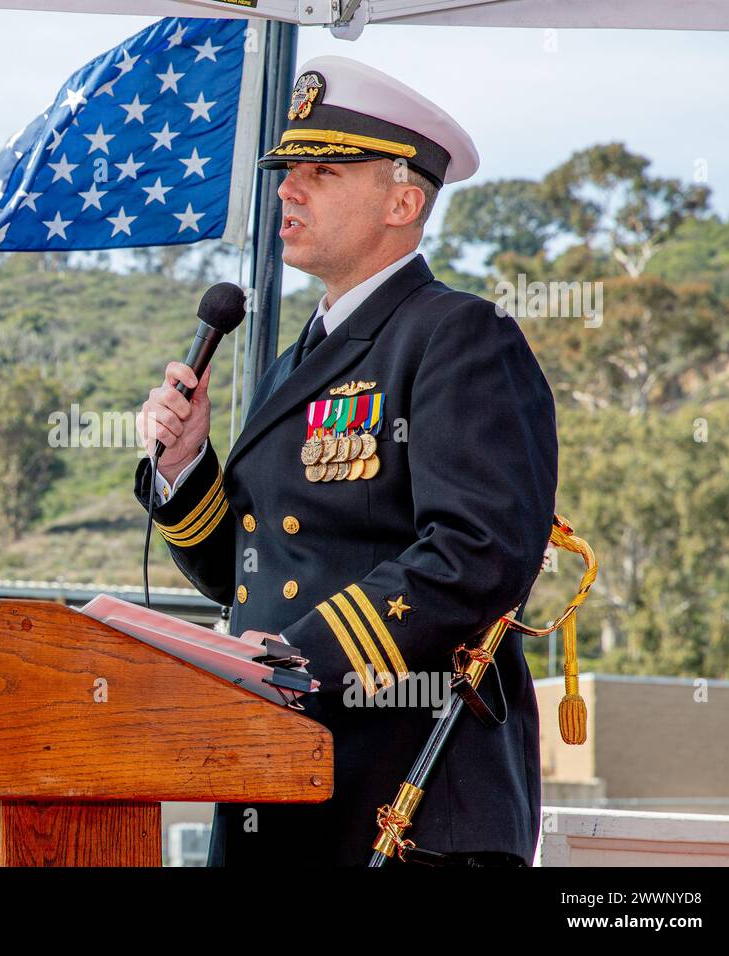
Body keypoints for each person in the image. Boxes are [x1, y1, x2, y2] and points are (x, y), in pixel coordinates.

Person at [133, 56, 558, 867]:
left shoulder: (458, 335)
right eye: (288, 171)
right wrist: (188, 470)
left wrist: (296, 660)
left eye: (321, 171)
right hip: (281, 781)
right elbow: (248, 569)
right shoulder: (296, 363)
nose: (288, 189)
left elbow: (482, 553)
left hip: (404, 795)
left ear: (404, 201)